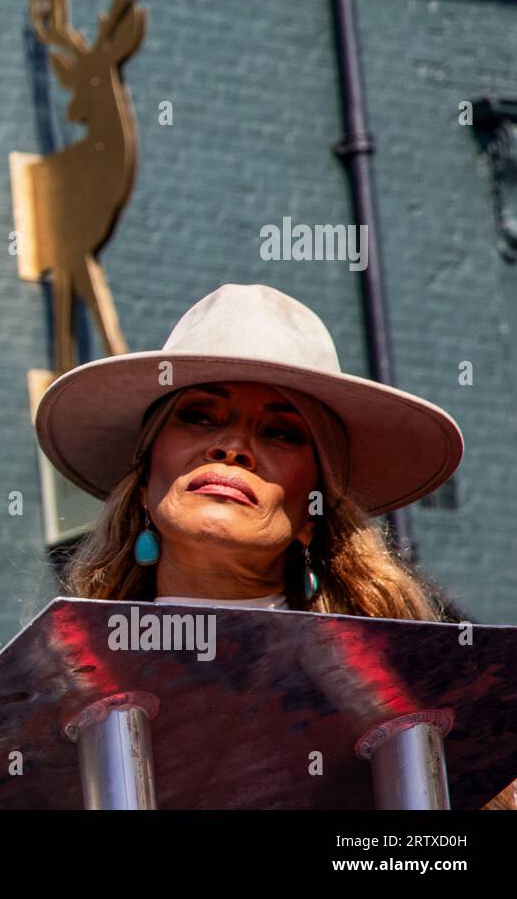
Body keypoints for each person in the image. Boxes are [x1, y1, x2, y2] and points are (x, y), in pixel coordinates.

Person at [35, 282, 514, 808]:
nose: (233, 446)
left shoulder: (425, 700)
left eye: (281, 433)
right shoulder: (46, 704)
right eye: (200, 416)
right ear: (146, 482)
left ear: (313, 513)